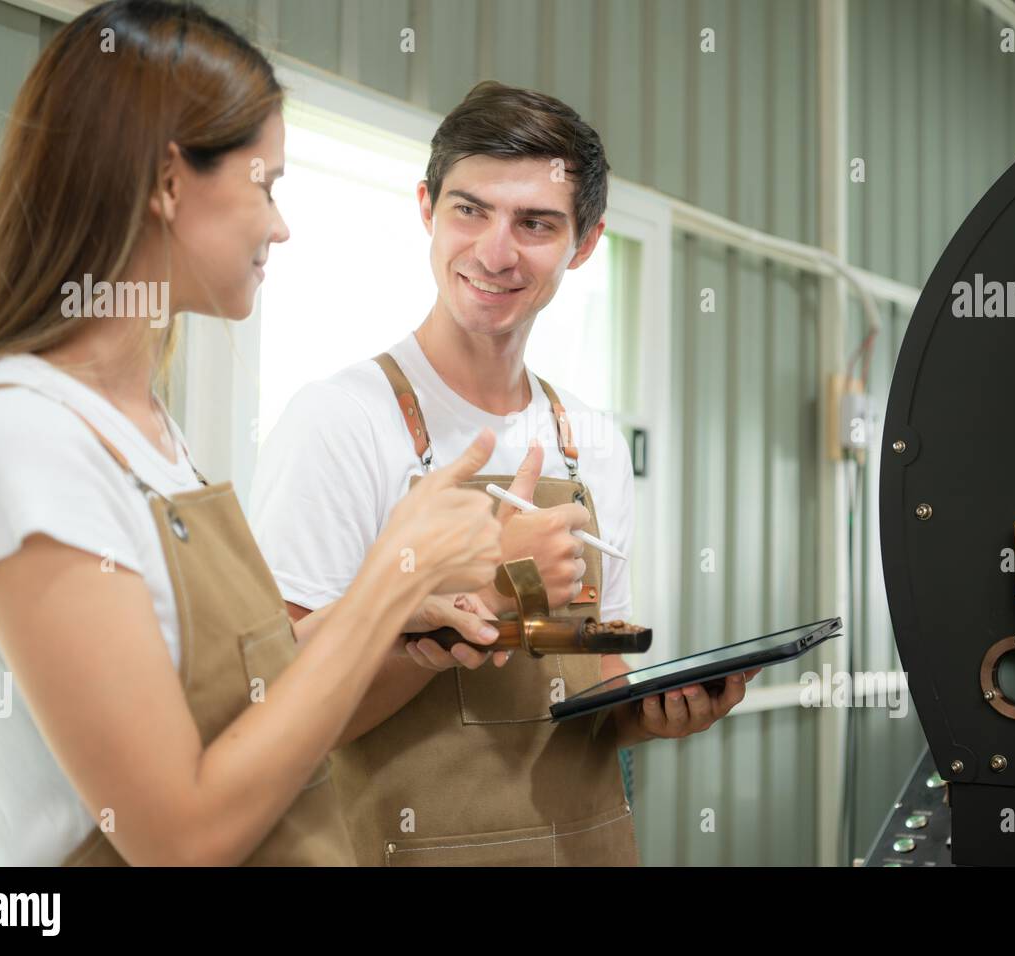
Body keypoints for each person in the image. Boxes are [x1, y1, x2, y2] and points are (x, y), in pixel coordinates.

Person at [0, 0, 502, 867]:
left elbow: (218, 693)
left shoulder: (149, 428)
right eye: (267, 184)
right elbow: (178, 838)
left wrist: (389, 621)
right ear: (167, 180)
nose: (280, 224)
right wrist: (390, 574)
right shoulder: (19, 436)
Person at [250, 81, 757, 866]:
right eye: (470, 209)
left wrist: (651, 712)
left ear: (584, 243)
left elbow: (597, 684)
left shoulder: (592, 442)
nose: (494, 251)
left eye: (536, 224)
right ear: (426, 208)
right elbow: (281, 714)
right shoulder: (339, 421)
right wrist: (481, 602)